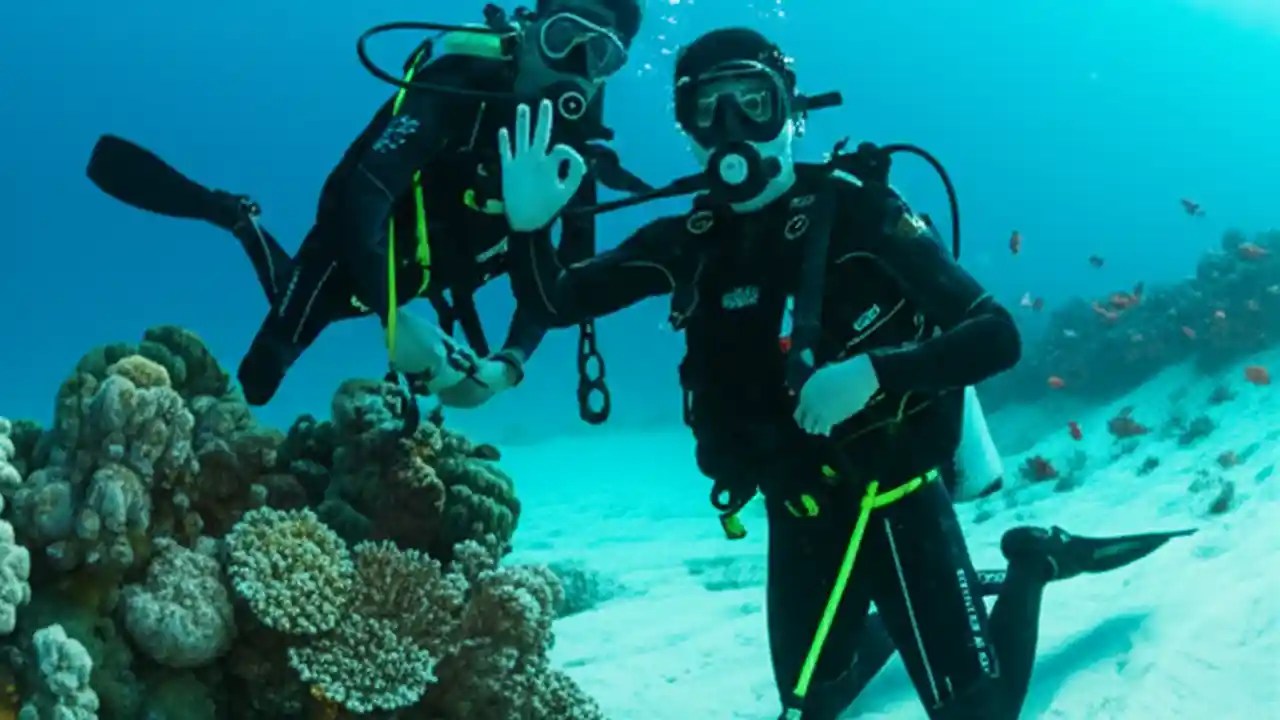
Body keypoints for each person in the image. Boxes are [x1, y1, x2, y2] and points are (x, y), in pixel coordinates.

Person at [494, 28, 1195, 720]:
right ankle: (895, 618)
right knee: (815, 700)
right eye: (709, 109)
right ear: (688, 129)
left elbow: (996, 336)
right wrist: (529, 228)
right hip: (795, 511)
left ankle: (1032, 561)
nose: (732, 126)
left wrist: (874, 373)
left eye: (753, 101)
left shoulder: (859, 212)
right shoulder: (690, 242)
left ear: (790, 112)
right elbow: (556, 299)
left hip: (896, 501)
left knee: (982, 713)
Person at [85, 0, 649, 421]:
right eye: (563, 36)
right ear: (527, 33)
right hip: (357, 250)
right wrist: (393, 318)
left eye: (602, 53)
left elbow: (564, 287)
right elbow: (364, 197)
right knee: (259, 381)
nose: (577, 62)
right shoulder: (454, 89)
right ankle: (234, 216)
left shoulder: (576, 162)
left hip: (442, 276)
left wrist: (508, 366)